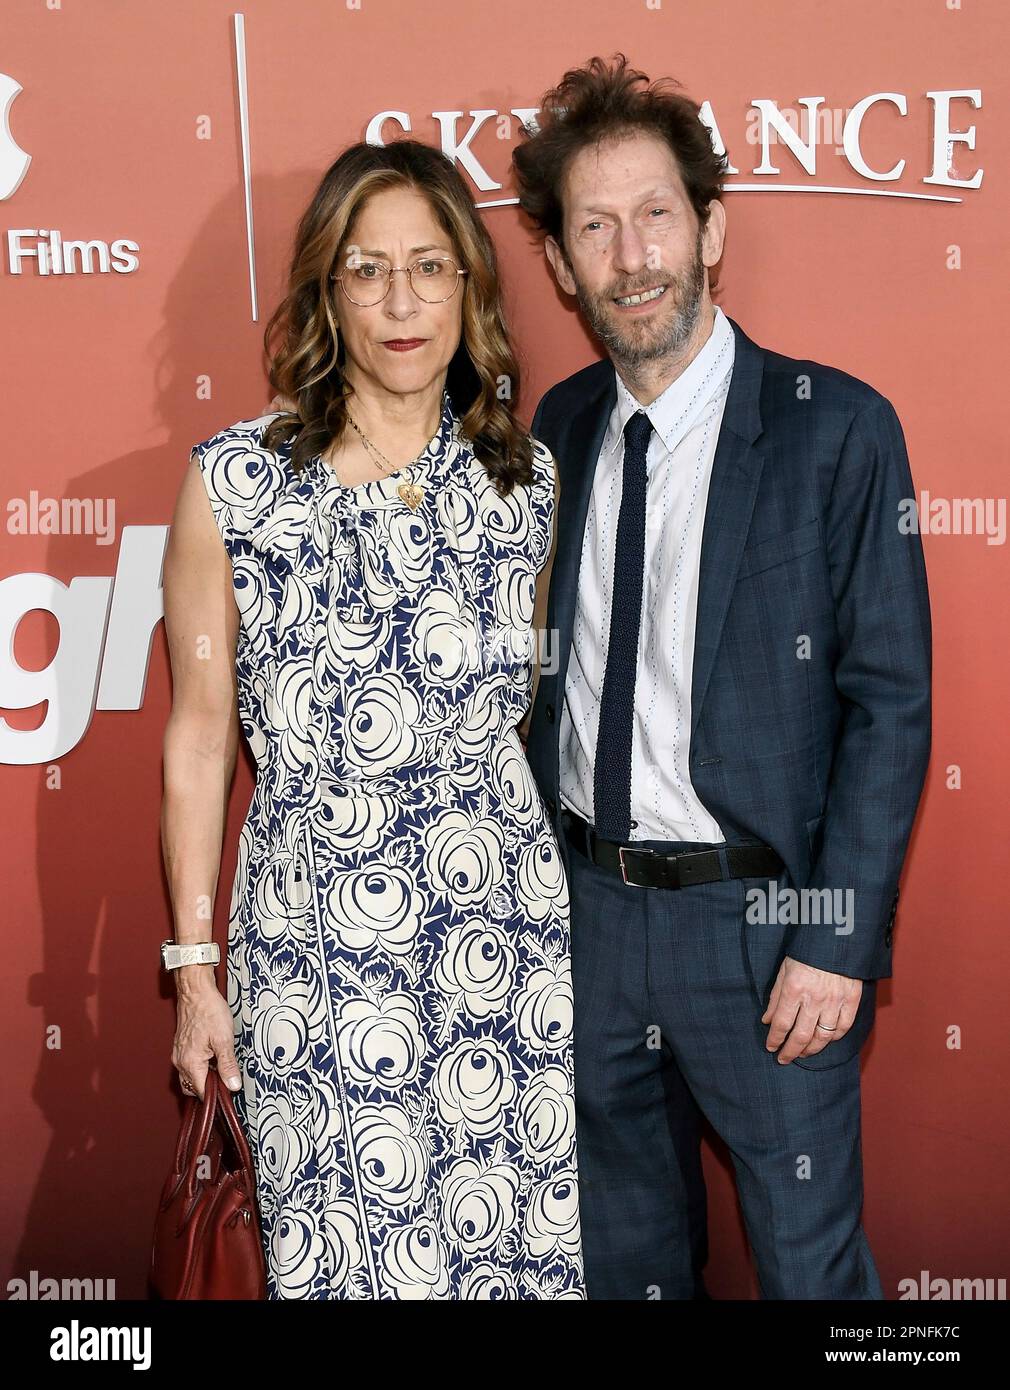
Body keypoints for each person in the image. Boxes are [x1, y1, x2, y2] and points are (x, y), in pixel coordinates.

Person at [514, 54, 932, 1299]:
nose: (629, 254)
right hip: (588, 920)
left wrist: (837, 939)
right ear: (557, 263)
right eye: (593, 227)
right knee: (624, 1269)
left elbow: (890, 702)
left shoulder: (832, 426)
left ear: (711, 229)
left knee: (810, 1276)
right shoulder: (559, 426)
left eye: (653, 215)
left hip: (766, 939)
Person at [160, 139, 584, 1300]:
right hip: (314, 936)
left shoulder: (525, 483)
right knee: (342, 1255)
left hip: (497, 924)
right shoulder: (232, 484)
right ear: (325, 292)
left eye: (431, 267)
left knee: (504, 1248)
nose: (402, 302)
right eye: (366, 269)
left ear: (470, 289)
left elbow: (518, 707)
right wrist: (196, 973)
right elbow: (200, 737)